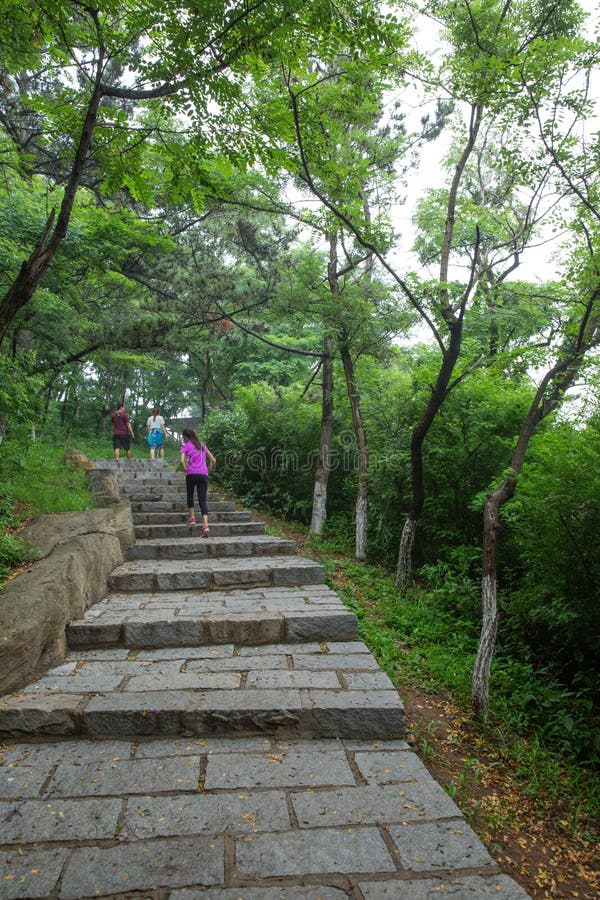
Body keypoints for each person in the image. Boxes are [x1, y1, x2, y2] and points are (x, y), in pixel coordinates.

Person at [180, 426, 216, 535]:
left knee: (190, 495)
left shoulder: (185, 446)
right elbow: (213, 460)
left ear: (187, 437)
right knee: (202, 500)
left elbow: (181, 461)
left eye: (184, 437)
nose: (184, 439)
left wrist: (186, 469)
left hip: (191, 474)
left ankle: (192, 518)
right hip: (203, 475)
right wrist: (208, 470)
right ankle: (205, 526)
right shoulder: (202, 445)